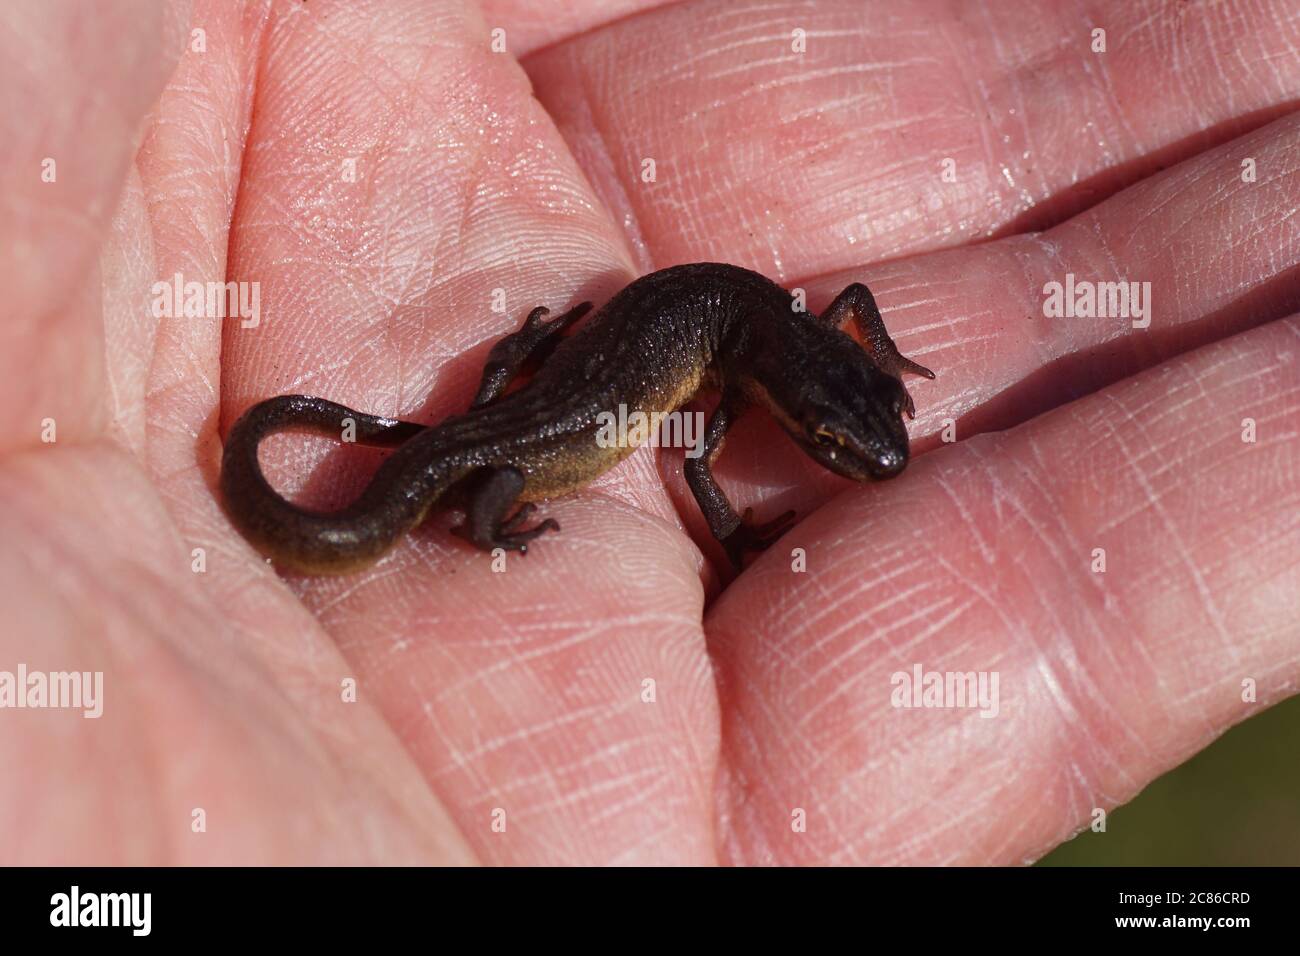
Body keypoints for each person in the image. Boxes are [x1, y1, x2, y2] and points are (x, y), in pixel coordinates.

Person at [2, 0, 1297, 865]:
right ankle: (475, 515)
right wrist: (583, 535)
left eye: (863, 423)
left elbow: (842, 318)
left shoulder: (783, 338)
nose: (859, 456)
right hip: (509, 447)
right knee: (452, 485)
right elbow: (691, 459)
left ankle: (434, 441)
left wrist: (875, 368)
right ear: (792, 405)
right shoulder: (734, 371)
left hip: (558, 384)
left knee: (489, 427)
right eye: (843, 444)